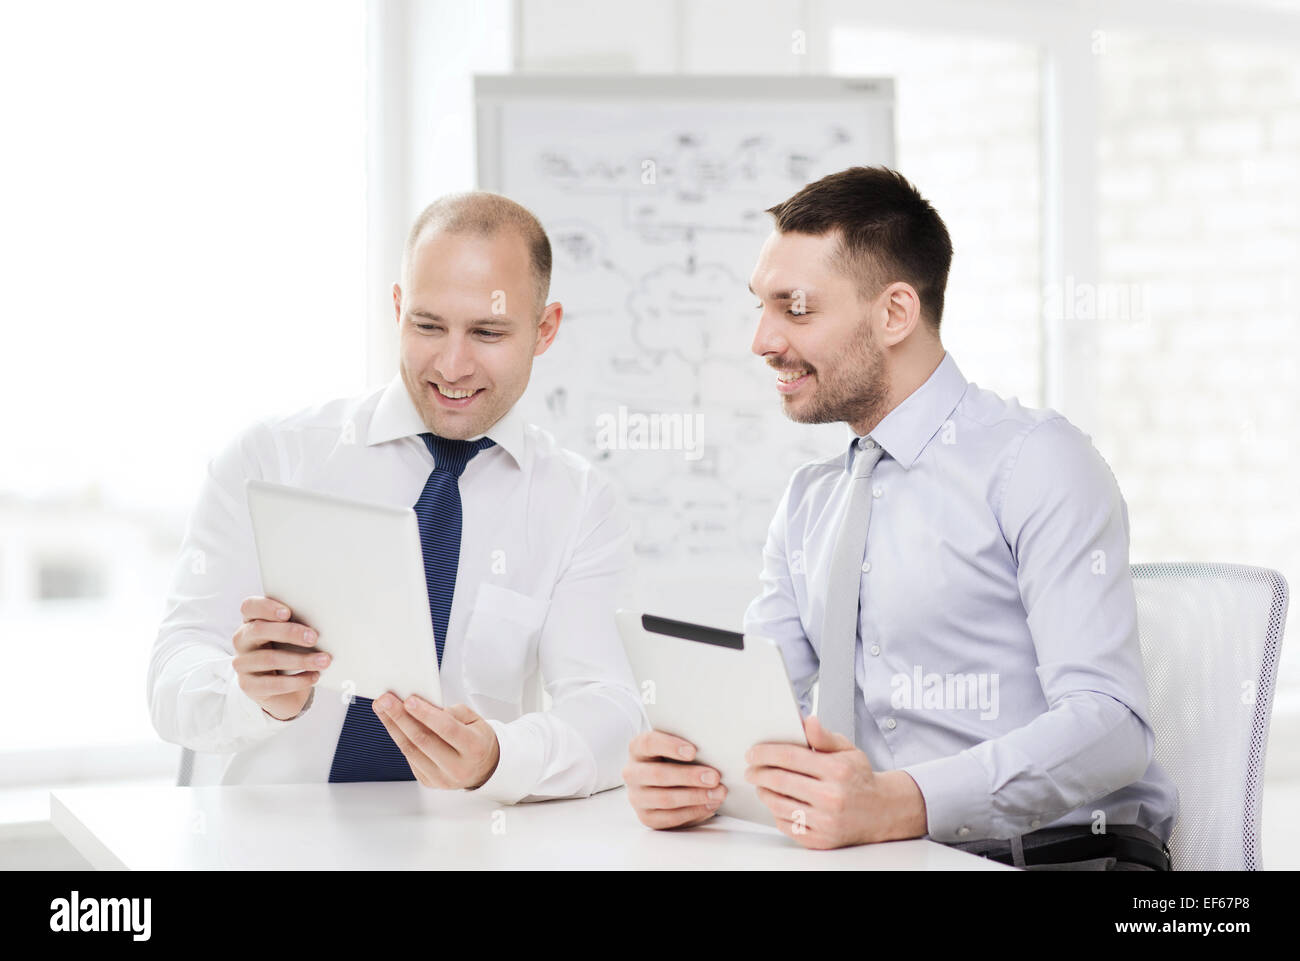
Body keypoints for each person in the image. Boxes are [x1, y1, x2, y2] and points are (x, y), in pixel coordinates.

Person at [623, 166, 1178, 870]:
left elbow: (1113, 727)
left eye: (795, 310)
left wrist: (903, 800)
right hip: (891, 856)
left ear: (894, 313)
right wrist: (687, 771)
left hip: (1059, 857)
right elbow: (752, 708)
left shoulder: (1036, 462)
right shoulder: (810, 500)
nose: (761, 341)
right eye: (761, 307)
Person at [149, 191, 646, 801]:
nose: (453, 365)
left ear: (544, 330)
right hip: (263, 852)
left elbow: (613, 709)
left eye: (487, 332)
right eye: (427, 325)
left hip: (456, 852)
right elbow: (172, 675)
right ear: (397, 307)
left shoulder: (578, 504)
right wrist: (248, 694)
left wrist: (501, 758)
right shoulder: (271, 458)